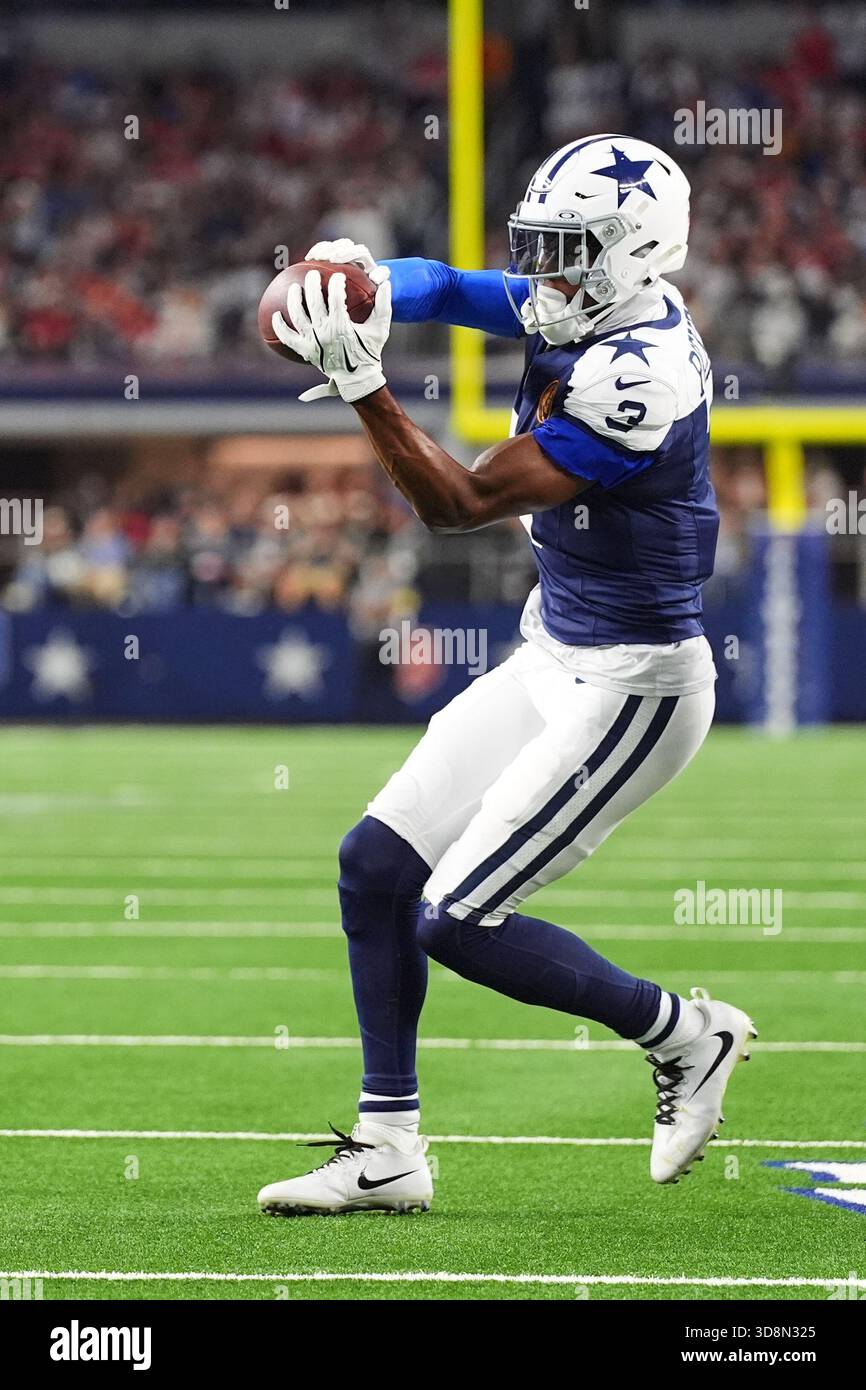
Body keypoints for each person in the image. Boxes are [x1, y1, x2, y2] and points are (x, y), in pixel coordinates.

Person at [256, 135, 756, 1217]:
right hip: (554, 650)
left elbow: (461, 504)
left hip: (634, 685)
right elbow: (440, 284)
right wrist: (358, 277)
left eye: (566, 251)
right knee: (372, 866)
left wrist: (361, 382)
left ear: (633, 256)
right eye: (539, 246)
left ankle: (684, 1032)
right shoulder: (576, 300)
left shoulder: (639, 372)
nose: (542, 273)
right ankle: (388, 1148)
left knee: (457, 916)